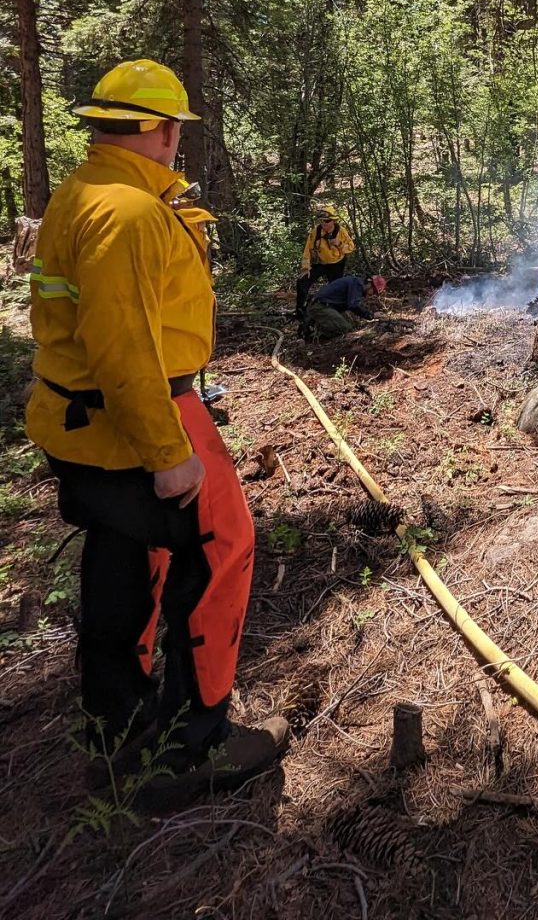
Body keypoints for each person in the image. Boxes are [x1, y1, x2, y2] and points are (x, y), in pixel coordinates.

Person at [27, 59, 288, 806]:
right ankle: (193, 743)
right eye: (177, 130)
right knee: (221, 548)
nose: (178, 142)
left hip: (83, 419)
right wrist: (169, 455)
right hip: (142, 413)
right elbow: (123, 347)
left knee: (122, 551)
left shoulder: (83, 192)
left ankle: (117, 727)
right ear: (164, 130)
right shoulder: (131, 214)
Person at [296, 202, 355, 317]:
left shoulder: (341, 231)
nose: (324, 224)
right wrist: (305, 268)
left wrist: (339, 244)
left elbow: (351, 247)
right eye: (321, 221)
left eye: (327, 221)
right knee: (302, 281)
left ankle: (337, 312)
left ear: (333, 221)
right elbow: (307, 250)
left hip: (337, 264)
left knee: (337, 289)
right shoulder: (316, 232)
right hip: (321, 263)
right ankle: (300, 311)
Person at [312, 273, 385, 319]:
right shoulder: (357, 284)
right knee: (343, 328)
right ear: (369, 283)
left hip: (324, 305)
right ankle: (314, 331)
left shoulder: (356, 283)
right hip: (320, 306)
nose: (373, 294)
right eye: (374, 291)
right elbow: (353, 305)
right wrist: (371, 315)